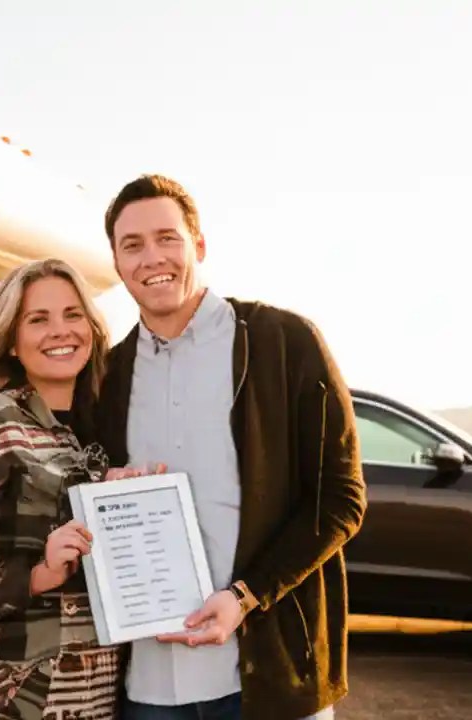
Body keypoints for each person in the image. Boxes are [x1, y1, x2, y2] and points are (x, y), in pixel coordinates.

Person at [95, 175, 369, 720]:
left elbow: (341, 500)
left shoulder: (284, 342)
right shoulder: (108, 374)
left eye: (167, 238)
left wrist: (246, 595)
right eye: (133, 245)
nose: (152, 258)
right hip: (148, 689)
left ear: (198, 245)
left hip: (269, 679)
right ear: (118, 262)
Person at [0, 258, 148, 720]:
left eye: (72, 314)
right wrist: (38, 571)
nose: (60, 331)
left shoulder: (99, 431)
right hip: (1, 698)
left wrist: (126, 502)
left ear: (92, 329)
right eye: (38, 319)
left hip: (90, 700)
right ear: (12, 342)